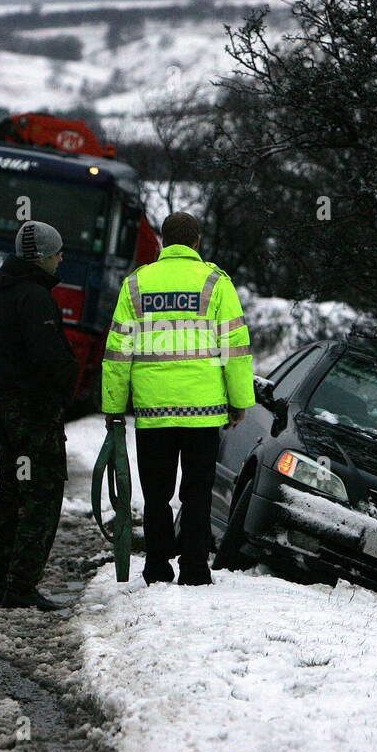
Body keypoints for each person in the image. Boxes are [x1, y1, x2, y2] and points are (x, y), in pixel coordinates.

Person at [101, 212, 254, 585]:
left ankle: (156, 567)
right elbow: (235, 348)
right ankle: (195, 569)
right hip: (202, 413)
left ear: (164, 243)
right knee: (197, 493)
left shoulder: (137, 284)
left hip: (153, 411)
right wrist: (238, 402)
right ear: (197, 242)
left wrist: (114, 408)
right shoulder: (216, 284)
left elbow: (118, 351)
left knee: (156, 493)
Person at [0, 221, 79, 610]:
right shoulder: (35, 297)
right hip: (33, 409)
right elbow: (48, 356)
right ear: (40, 258)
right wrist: (63, 389)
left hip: (5, 401)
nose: (61, 258)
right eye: (57, 252)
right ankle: (20, 585)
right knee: (41, 494)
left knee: (12, 488)